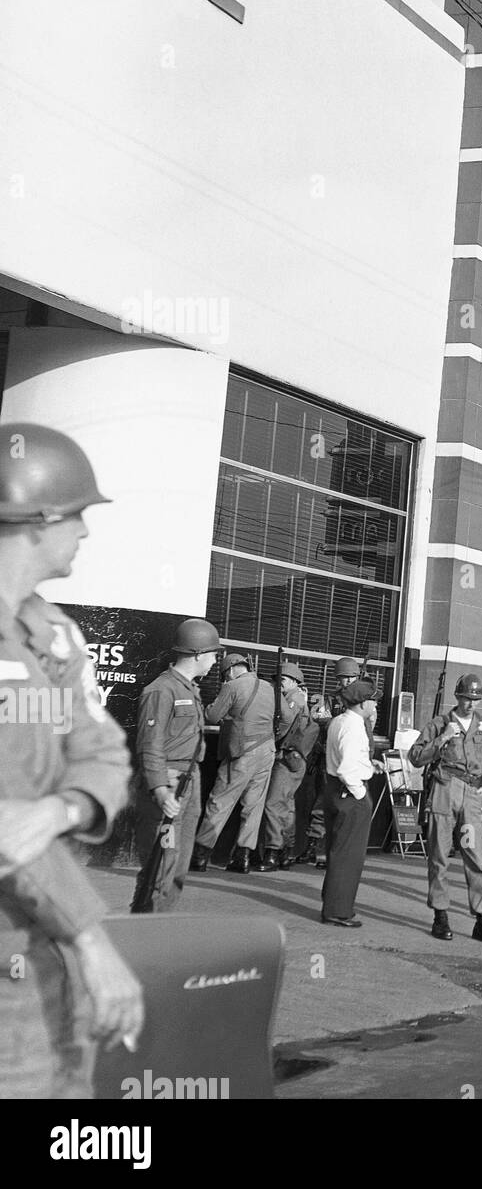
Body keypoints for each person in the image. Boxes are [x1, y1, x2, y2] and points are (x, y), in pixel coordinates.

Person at [0, 423, 142, 1096]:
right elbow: (6, 829)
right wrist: (94, 940)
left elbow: (103, 750)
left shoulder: (50, 635)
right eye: (79, 513)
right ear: (42, 518)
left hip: (40, 944)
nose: (86, 531)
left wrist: (66, 804)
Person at [131, 618, 220, 911]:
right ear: (197, 653)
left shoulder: (189, 690)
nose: (214, 660)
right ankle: (143, 939)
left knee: (178, 868)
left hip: (188, 782)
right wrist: (159, 790)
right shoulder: (161, 690)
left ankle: (161, 931)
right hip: (168, 785)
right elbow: (150, 744)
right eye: (212, 653)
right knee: (161, 867)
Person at [409, 672, 482, 945]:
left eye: (475, 699)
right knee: (439, 856)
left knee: (476, 857)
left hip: (471, 795)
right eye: (466, 698)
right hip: (444, 790)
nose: (471, 704)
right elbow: (415, 757)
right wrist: (442, 740)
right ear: (457, 696)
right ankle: (440, 916)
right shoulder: (439, 724)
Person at [191, 651, 276, 875]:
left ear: (229, 670)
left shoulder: (232, 687)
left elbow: (212, 716)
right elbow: (285, 717)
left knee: (220, 802)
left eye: (224, 676)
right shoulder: (269, 687)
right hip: (268, 751)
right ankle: (243, 858)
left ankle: (200, 856)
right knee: (253, 806)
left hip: (242, 752)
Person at [320, 679, 376, 927]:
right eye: (373, 700)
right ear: (362, 703)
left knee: (336, 850)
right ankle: (338, 911)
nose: (375, 704)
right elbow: (347, 768)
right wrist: (361, 794)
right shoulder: (354, 727)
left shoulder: (339, 721)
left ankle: (331, 900)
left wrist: (370, 767)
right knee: (348, 856)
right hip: (350, 794)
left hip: (334, 789)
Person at [254, 661, 319, 872]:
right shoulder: (297, 698)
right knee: (287, 805)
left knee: (274, 804)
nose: (278, 684)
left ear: (294, 681)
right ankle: (285, 851)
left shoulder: (294, 699)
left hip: (287, 757)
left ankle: (273, 851)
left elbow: (283, 728)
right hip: (296, 758)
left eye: (281, 680)